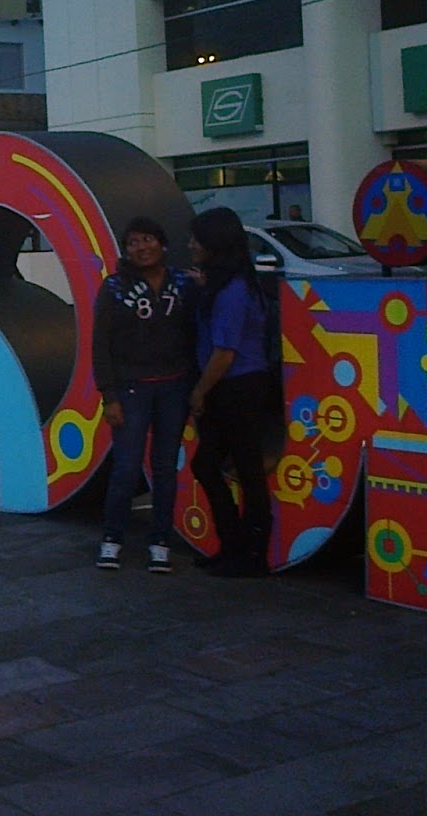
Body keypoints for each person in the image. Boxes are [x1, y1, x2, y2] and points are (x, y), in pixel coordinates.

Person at [91, 217, 197, 573]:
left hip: (175, 386)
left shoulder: (183, 282)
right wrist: (110, 395)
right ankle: (112, 539)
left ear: (162, 244)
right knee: (126, 466)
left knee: (166, 468)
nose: (142, 247)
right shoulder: (114, 286)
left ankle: (160, 541)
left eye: (148, 239)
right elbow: (100, 344)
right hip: (131, 388)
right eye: (133, 242)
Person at [187, 205, 274, 578]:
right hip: (234, 386)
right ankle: (233, 545)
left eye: (196, 239)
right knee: (211, 464)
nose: (190, 245)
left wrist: (199, 392)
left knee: (245, 469)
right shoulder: (229, 284)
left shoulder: (234, 291)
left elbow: (225, 353)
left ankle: (252, 553)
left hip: (238, 386)